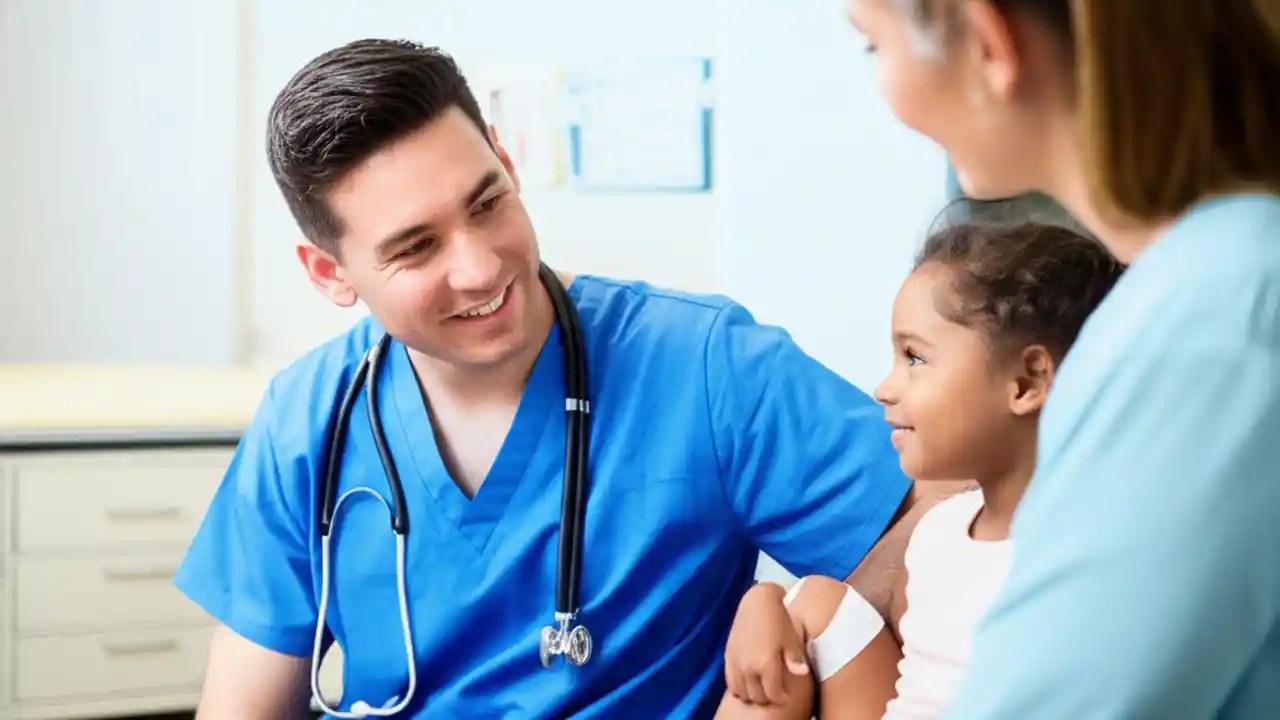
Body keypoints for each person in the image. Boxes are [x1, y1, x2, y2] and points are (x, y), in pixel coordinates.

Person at [173, 39, 927, 719]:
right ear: (331, 274)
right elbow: (244, 705)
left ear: (505, 159)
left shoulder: (701, 363)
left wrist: (802, 612)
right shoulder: (308, 418)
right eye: (416, 248)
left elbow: (945, 527)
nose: (480, 267)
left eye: (487, 202)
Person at [841, 0, 1280, 716]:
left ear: (989, 41)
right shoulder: (1184, 296)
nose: (886, 93)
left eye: (874, 48)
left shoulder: (1219, 318)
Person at [713, 220, 1125, 719]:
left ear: (1026, 381)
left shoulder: (1086, 558)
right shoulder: (940, 535)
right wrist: (765, 600)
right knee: (804, 606)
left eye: (914, 357)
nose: (884, 389)